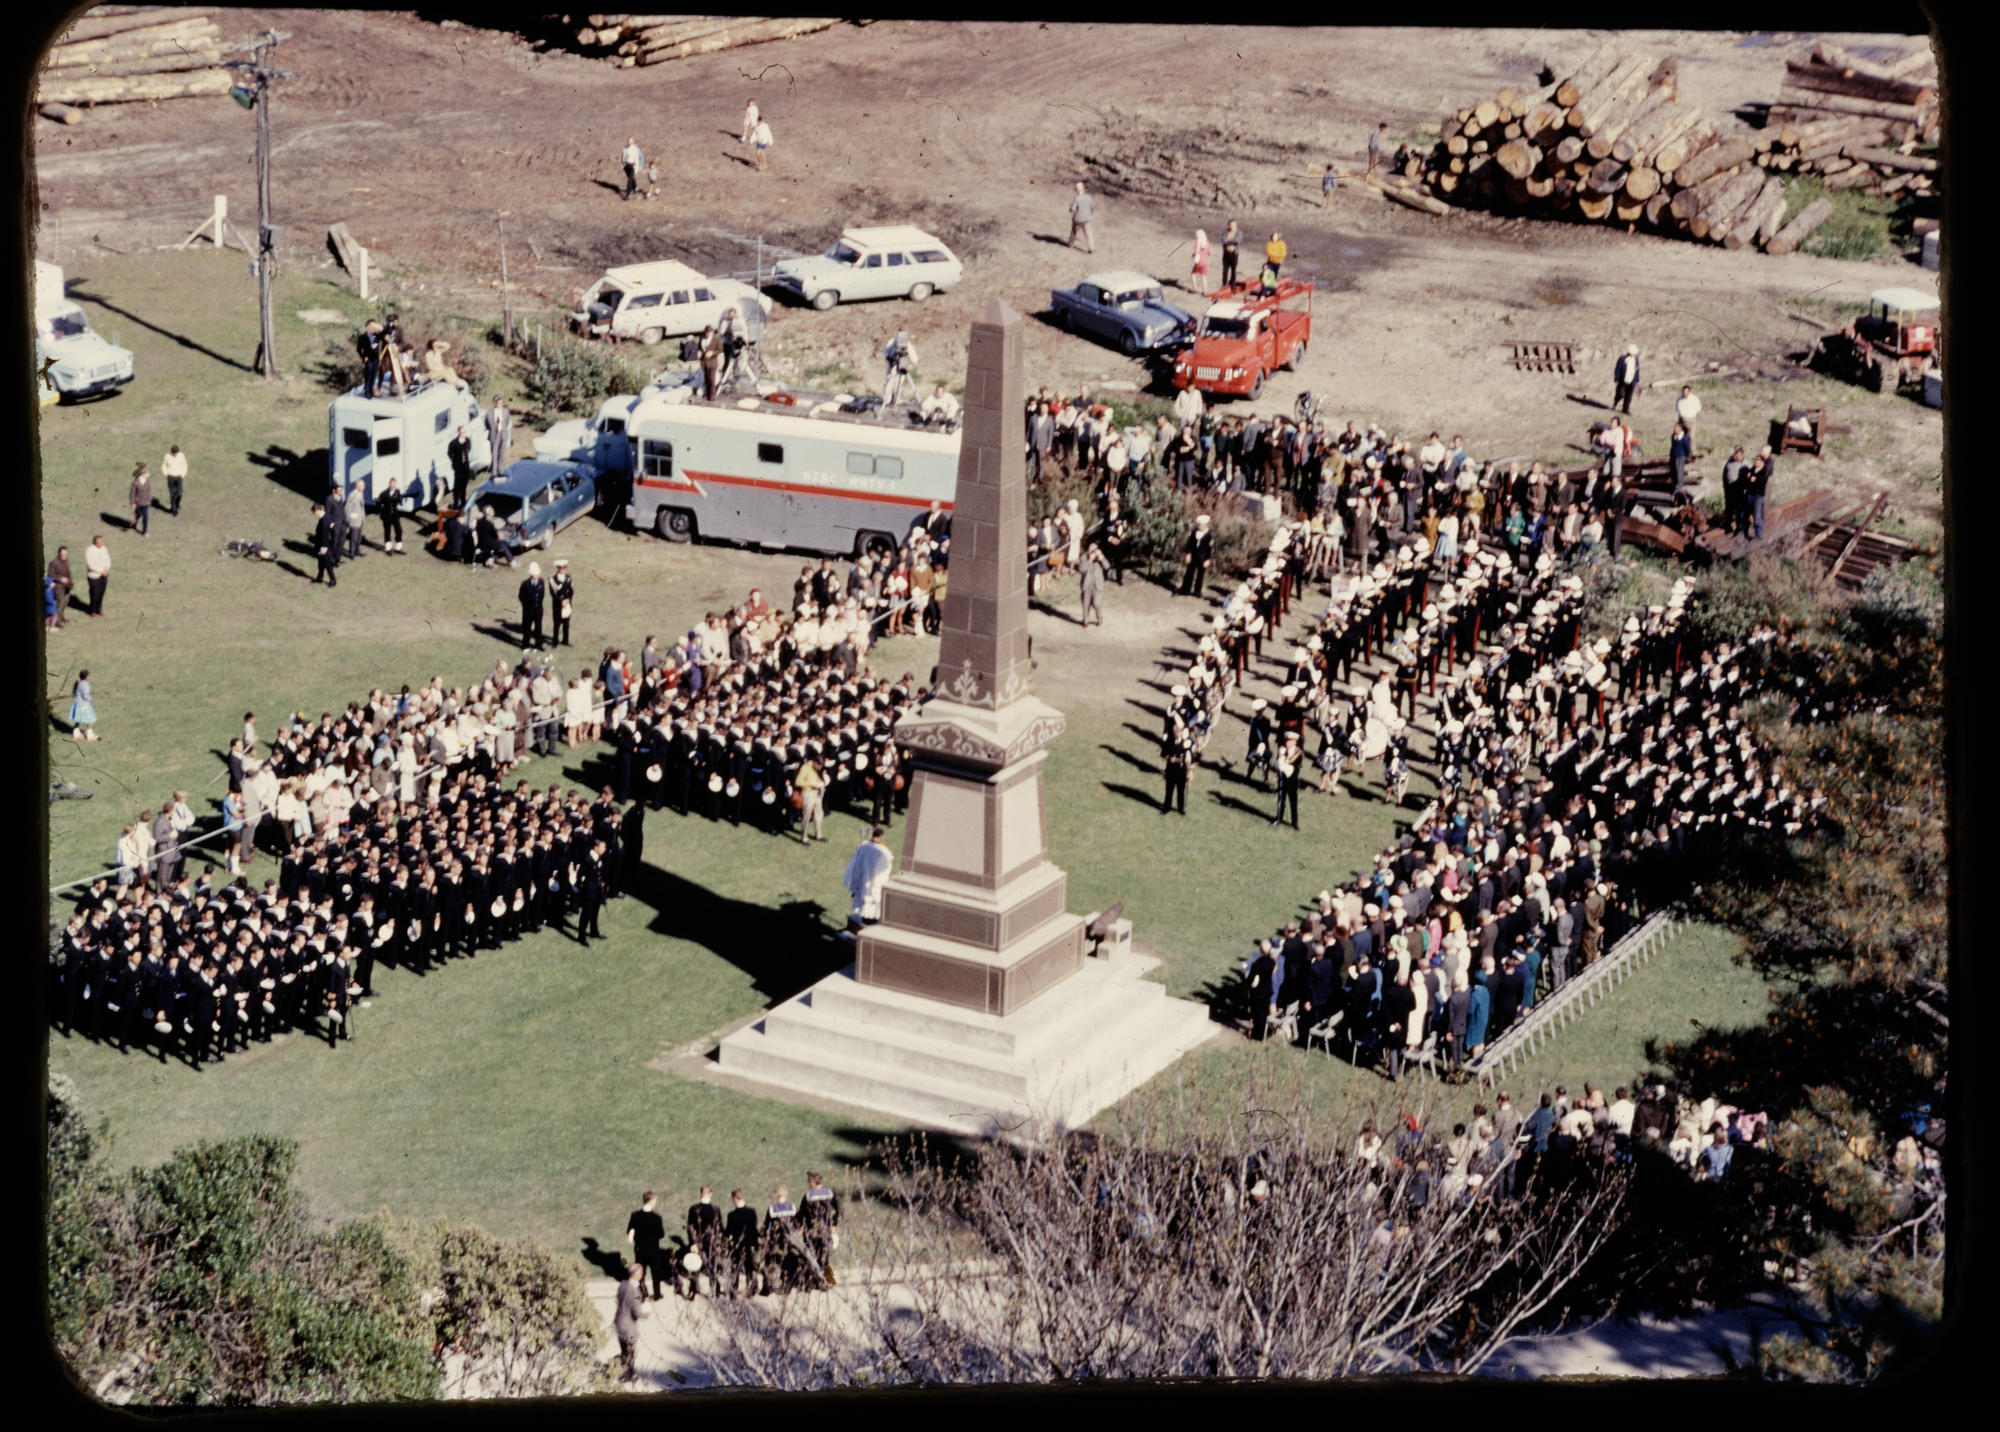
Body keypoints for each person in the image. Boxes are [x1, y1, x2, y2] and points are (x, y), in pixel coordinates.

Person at [844, 825, 893, 930]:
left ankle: (865, 922)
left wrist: (853, 881)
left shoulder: (863, 847)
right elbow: (884, 871)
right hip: (874, 883)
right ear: (880, 837)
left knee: (865, 908)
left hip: (863, 882)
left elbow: (854, 865)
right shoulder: (883, 852)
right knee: (872, 910)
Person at [800, 1172, 840, 1286]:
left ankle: (812, 1281)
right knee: (825, 1257)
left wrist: (798, 1226)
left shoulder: (808, 1196)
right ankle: (827, 1281)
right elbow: (837, 1210)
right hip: (825, 1230)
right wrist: (834, 1224)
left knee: (812, 1256)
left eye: (809, 1182)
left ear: (813, 1182)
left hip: (812, 1231)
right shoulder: (829, 1193)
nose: (808, 1184)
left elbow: (801, 1214)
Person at [626, 1191, 667, 1300]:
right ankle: (657, 1294)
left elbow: (629, 1231)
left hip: (640, 1249)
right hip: (653, 1249)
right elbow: (661, 1234)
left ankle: (643, 1292)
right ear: (651, 1201)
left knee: (641, 1272)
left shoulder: (635, 1215)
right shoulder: (657, 1217)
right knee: (656, 1272)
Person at [685, 1187, 723, 1300]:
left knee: (694, 1266)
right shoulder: (716, 1209)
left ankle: (693, 1291)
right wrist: (719, 1242)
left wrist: (692, 1243)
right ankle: (715, 1290)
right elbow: (719, 1227)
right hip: (711, 1242)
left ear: (700, 1194)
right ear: (710, 1194)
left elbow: (689, 1227)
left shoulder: (693, 1208)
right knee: (712, 1265)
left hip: (697, 1242)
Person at [723, 1189, 760, 1297]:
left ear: (735, 1199)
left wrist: (724, 1239)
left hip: (737, 1245)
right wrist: (756, 1244)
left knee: (735, 1268)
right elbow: (754, 1230)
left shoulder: (732, 1215)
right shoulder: (751, 1212)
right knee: (749, 1267)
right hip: (749, 1244)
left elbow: (728, 1231)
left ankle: (734, 1289)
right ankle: (751, 1289)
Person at [613, 1261, 645, 1381]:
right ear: (638, 1275)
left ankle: (624, 1370)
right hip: (629, 1327)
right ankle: (628, 1375)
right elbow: (637, 1313)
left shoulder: (622, 1285)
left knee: (624, 1351)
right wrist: (646, 1312)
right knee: (630, 1353)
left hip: (619, 1322)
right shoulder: (635, 1292)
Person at [1271, 730, 1302, 829]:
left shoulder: (1299, 753)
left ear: (1295, 742)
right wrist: (1281, 756)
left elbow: (1290, 769)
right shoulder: (1282, 750)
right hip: (1282, 779)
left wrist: (1282, 763)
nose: (1287, 742)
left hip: (1292, 781)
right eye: (1287, 740)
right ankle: (1278, 818)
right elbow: (1276, 765)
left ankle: (1294, 823)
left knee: (1293, 802)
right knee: (1281, 800)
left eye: (1290, 741)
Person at [1178, 513, 1214, 598]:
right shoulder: (1194, 532)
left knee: (1200, 575)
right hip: (1193, 556)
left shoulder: (1209, 535)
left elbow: (1210, 548)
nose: (1199, 526)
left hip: (1203, 558)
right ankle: (1185, 589)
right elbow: (1189, 543)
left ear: (1205, 525)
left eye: (1201, 525)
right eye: (1198, 524)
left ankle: (1197, 592)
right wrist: (1188, 553)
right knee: (1189, 573)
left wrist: (1208, 559)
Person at [1748, 446, 1775, 540]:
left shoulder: (1770, 462)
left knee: (1763, 503)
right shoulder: (1761, 459)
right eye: (1761, 452)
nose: (1761, 453)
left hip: (1765, 483)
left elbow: (1765, 473)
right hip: (1756, 487)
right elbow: (1753, 468)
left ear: (1768, 453)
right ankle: (1753, 521)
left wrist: (1755, 478)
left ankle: (1762, 523)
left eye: (1763, 452)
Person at [882, 331, 916, 407]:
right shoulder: (891, 342)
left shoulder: (908, 344)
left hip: (902, 365)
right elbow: (885, 353)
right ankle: (887, 400)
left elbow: (913, 357)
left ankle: (897, 400)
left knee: (899, 382)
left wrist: (913, 360)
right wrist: (890, 359)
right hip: (892, 365)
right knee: (890, 382)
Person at [1079, 542, 1108, 628]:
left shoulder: (1100, 559)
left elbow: (1107, 566)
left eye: (1094, 550)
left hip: (1097, 585)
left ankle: (1099, 618)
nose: (1092, 552)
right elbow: (1082, 569)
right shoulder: (1084, 558)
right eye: (1091, 550)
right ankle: (1085, 620)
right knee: (1085, 604)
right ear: (1088, 551)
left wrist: (1101, 557)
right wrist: (1090, 560)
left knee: (1096, 603)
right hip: (1086, 584)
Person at [519, 562, 547, 650]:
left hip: (538, 609)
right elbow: (521, 596)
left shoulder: (541, 581)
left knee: (538, 627)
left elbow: (542, 594)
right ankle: (525, 644)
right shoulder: (525, 584)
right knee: (527, 627)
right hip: (528, 610)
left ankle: (539, 644)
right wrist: (526, 606)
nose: (536, 575)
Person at [311, 503, 340, 587]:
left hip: (324, 546)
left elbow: (324, 535)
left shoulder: (324, 520)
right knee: (321, 562)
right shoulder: (326, 517)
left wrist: (324, 548)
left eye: (314, 512)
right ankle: (320, 577)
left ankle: (333, 580)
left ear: (318, 510)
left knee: (327, 563)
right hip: (325, 545)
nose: (314, 514)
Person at [448, 426, 475, 509]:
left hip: (465, 466)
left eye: (465, 432)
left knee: (464, 485)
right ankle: (456, 502)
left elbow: (468, 449)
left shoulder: (467, 441)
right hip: (458, 467)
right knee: (457, 485)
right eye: (462, 432)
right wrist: (455, 460)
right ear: (458, 432)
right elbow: (449, 453)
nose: (464, 434)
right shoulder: (454, 443)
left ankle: (463, 501)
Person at [356, 319, 385, 397]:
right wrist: (364, 357)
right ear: (368, 326)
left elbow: (384, 334)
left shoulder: (376, 336)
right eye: (372, 325)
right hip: (368, 358)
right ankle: (366, 392)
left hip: (375, 358)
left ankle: (371, 390)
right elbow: (359, 349)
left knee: (374, 375)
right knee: (368, 375)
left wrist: (380, 327)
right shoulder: (362, 337)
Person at [68, 669, 98, 742]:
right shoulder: (85, 684)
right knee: (89, 719)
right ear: (86, 676)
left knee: (77, 719)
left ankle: (76, 733)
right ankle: (90, 735)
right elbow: (85, 695)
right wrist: (90, 699)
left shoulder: (78, 682)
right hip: (84, 704)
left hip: (77, 703)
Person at [378, 476, 406, 554]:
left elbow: (399, 500)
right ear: (389, 484)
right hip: (386, 515)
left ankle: (398, 548)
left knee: (399, 530)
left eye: (394, 484)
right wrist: (381, 512)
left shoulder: (397, 492)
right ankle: (388, 548)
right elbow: (379, 503)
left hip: (395, 515)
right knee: (387, 531)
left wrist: (401, 499)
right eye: (392, 484)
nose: (393, 485)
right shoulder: (384, 493)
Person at [47, 546, 73, 629]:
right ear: (59, 553)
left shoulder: (66, 561)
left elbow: (68, 572)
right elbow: (50, 575)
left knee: (66, 601)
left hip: (67, 585)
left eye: (66, 554)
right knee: (60, 603)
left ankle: (61, 616)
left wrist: (70, 582)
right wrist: (61, 579)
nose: (65, 556)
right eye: (63, 554)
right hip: (58, 586)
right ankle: (56, 621)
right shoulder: (53, 562)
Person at [551, 559, 575, 646]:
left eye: (564, 568)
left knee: (566, 624)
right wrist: (561, 601)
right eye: (561, 568)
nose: (563, 570)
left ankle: (565, 641)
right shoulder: (553, 579)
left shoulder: (568, 578)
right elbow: (553, 594)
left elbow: (571, 591)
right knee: (557, 624)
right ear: (558, 568)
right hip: (558, 606)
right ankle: (555, 641)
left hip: (567, 604)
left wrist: (568, 599)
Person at [1611, 343, 1640, 414]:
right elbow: (1618, 368)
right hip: (1622, 380)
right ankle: (1615, 403)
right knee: (1620, 394)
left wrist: (1637, 380)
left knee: (1628, 396)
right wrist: (1616, 378)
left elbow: (1637, 370)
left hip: (1631, 380)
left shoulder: (1636, 360)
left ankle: (1625, 409)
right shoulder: (1622, 358)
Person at [1068, 181, 1095, 253]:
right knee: (1088, 233)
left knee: (1074, 231)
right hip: (1087, 218)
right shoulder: (1089, 197)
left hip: (1078, 219)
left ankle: (1070, 244)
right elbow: (1092, 207)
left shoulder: (1076, 198)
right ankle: (1091, 248)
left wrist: (1071, 208)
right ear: (1083, 189)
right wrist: (1089, 214)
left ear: (1077, 190)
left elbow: (1072, 209)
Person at [343, 479, 368, 560]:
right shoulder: (352, 495)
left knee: (358, 537)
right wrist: (349, 517)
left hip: (360, 520)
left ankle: (357, 550)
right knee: (353, 537)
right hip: (354, 520)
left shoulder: (360, 494)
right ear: (358, 486)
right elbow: (347, 507)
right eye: (363, 485)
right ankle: (352, 553)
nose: (364, 487)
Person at [162, 444, 187, 517]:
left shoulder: (181, 456)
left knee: (179, 493)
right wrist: (166, 474)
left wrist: (182, 474)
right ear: (172, 452)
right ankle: (174, 510)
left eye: (176, 453)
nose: (175, 454)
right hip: (171, 477)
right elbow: (164, 466)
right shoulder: (167, 457)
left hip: (179, 477)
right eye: (174, 453)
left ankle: (177, 504)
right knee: (172, 494)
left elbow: (184, 465)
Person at [699, 325, 723, 401]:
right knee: (706, 379)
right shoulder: (702, 338)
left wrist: (712, 353)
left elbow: (720, 349)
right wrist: (699, 352)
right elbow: (699, 348)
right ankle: (706, 393)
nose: (708, 334)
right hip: (704, 362)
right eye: (707, 332)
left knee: (712, 379)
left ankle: (712, 396)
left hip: (712, 362)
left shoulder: (716, 339)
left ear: (712, 332)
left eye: (710, 332)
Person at [129, 463, 152, 537]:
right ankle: (134, 523)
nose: (148, 474)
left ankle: (144, 531)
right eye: (147, 473)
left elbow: (149, 491)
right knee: (138, 515)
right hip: (138, 503)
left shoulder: (147, 481)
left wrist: (149, 500)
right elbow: (132, 494)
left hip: (146, 503)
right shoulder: (135, 483)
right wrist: (133, 503)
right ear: (142, 474)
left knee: (145, 517)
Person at [620, 136, 643, 201]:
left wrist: (637, 167)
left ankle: (627, 194)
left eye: (631, 141)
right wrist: (622, 165)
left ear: (633, 142)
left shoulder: (636, 149)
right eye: (629, 141)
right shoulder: (625, 148)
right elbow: (624, 157)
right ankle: (635, 187)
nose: (630, 142)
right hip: (626, 165)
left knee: (630, 179)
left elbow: (637, 158)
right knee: (630, 178)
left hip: (632, 165)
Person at [1190, 227, 1211, 295]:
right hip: (1206, 262)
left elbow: (1195, 252)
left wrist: (1193, 255)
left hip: (1199, 261)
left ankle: (1194, 288)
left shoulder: (1197, 242)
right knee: (1203, 276)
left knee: (1193, 273)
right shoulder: (1207, 242)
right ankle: (1204, 291)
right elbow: (1209, 252)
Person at [1220, 219, 1241, 289]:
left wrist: (1228, 240)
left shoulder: (1239, 232)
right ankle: (1224, 283)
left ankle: (1233, 283)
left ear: (1236, 225)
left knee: (1233, 269)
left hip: (1234, 254)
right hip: (1226, 253)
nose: (1232, 226)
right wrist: (1230, 244)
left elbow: (1237, 241)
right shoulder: (1225, 232)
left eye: (1233, 225)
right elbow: (1223, 240)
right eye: (1230, 225)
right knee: (1225, 269)